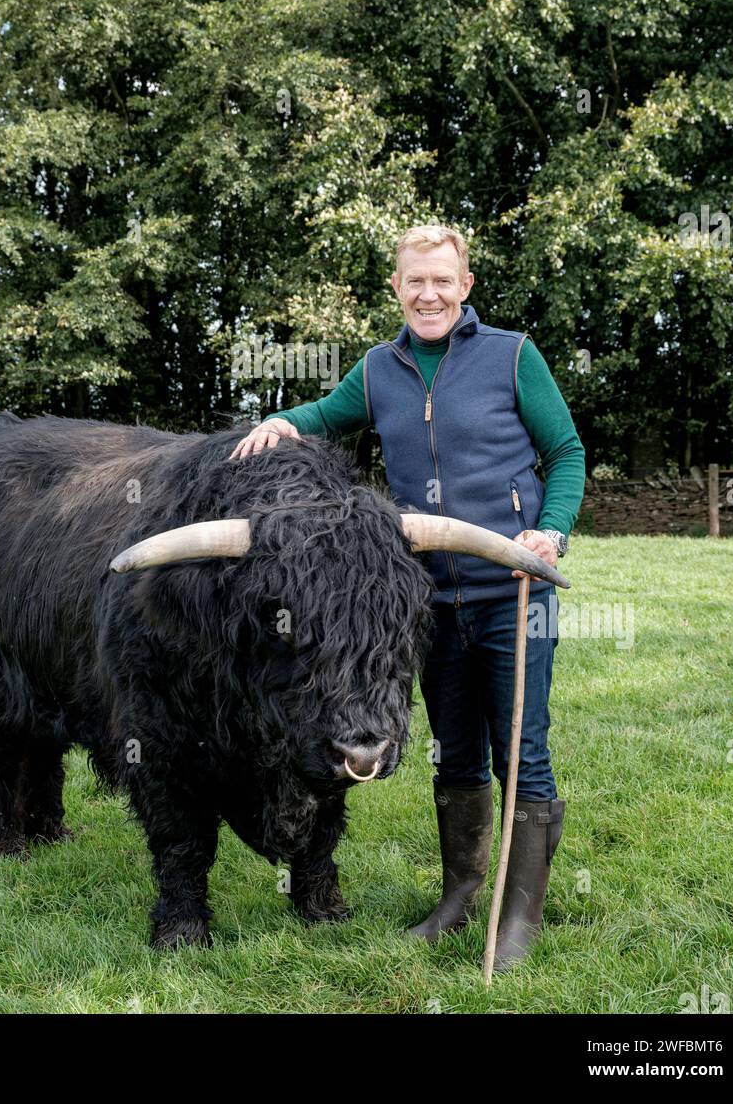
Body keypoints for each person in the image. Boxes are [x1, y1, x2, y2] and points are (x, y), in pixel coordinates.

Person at [230, 224, 586, 967]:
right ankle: (459, 898)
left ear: (465, 288)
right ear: (395, 287)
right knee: (452, 751)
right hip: (425, 604)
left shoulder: (512, 356)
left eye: (442, 281)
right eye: (413, 281)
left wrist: (548, 534)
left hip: (511, 590)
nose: (428, 294)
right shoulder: (377, 368)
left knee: (520, 752)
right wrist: (275, 423)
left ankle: (516, 918)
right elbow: (321, 418)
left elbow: (565, 452)